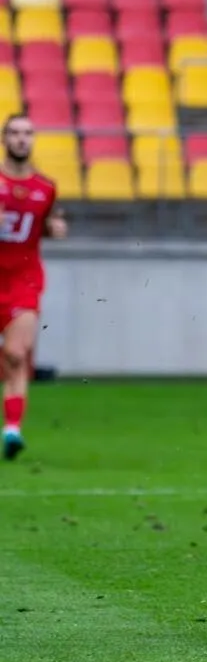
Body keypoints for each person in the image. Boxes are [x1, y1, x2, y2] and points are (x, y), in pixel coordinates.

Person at [0, 114, 67, 461]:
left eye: (27, 133)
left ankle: (12, 430)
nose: (21, 139)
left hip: (23, 280)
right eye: (14, 133)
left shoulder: (46, 188)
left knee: (16, 354)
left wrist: (55, 229)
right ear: (4, 139)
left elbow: (47, 222)